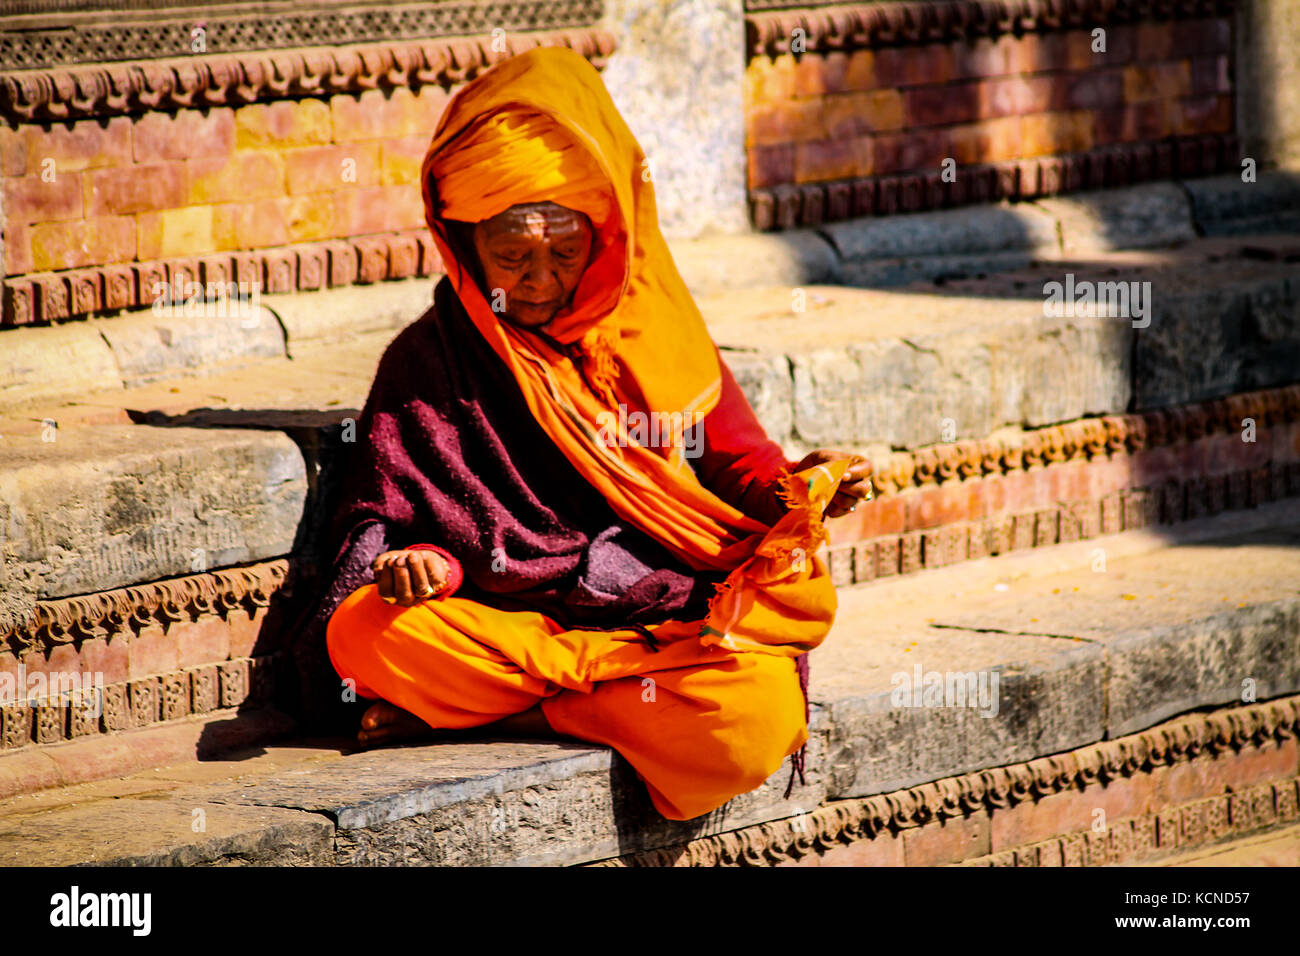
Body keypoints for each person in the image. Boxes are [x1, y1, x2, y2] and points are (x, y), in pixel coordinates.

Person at [319, 47, 873, 822]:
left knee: (755, 724)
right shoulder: (429, 359)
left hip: (657, 625)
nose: (541, 282)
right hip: (512, 625)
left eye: (565, 253)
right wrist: (424, 564)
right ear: (462, 240)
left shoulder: (656, 337)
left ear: (605, 240)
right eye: (512, 256)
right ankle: (594, 707)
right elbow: (394, 520)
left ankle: (516, 719)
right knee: (364, 633)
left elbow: (741, 466)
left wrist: (805, 490)